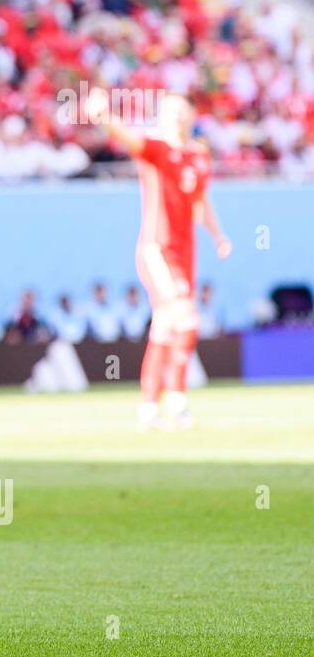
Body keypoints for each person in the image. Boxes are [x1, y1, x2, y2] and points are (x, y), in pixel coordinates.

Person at [86, 89, 231, 429]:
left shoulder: (198, 155)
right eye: (173, 112)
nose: (180, 117)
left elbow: (200, 202)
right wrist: (104, 117)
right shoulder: (157, 150)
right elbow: (128, 139)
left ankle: (149, 407)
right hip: (157, 248)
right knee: (187, 315)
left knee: (165, 327)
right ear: (163, 117)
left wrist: (218, 235)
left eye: (184, 111)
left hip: (185, 253)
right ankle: (178, 400)